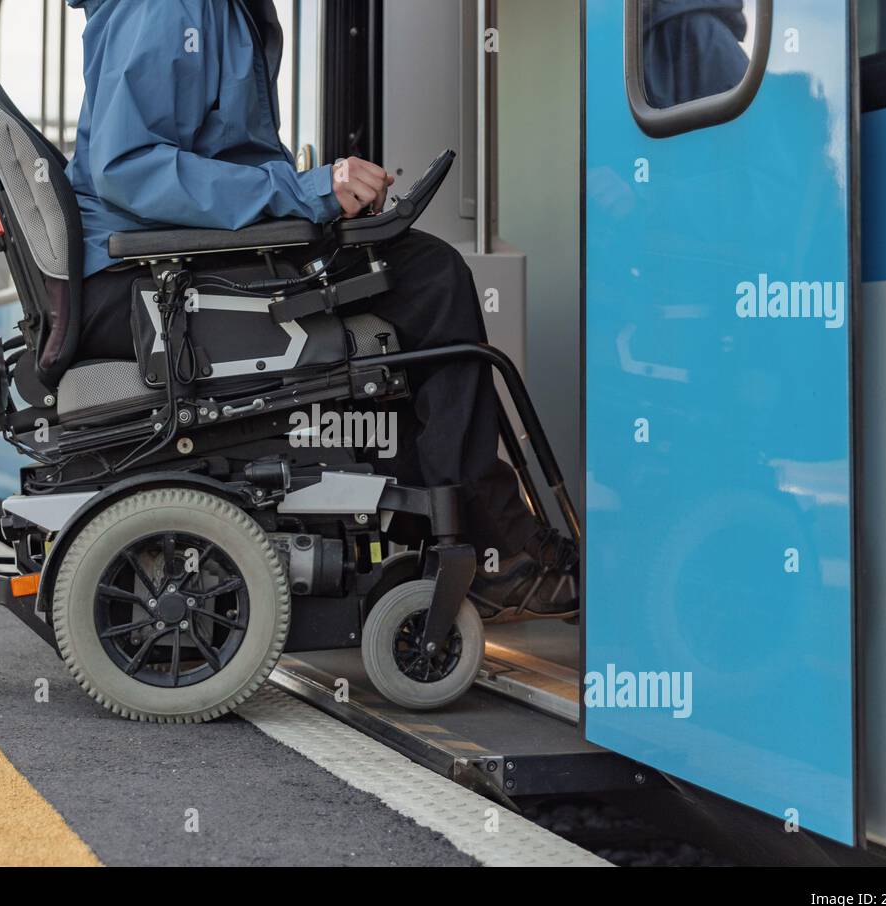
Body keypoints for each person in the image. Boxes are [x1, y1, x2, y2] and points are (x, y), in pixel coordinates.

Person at [65, 0, 575, 622]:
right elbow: (128, 168)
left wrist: (318, 196)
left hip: (160, 266)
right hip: (145, 283)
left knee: (409, 274)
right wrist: (308, 190)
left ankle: (449, 524)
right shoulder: (172, 6)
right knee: (429, 280)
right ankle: (486, 543)